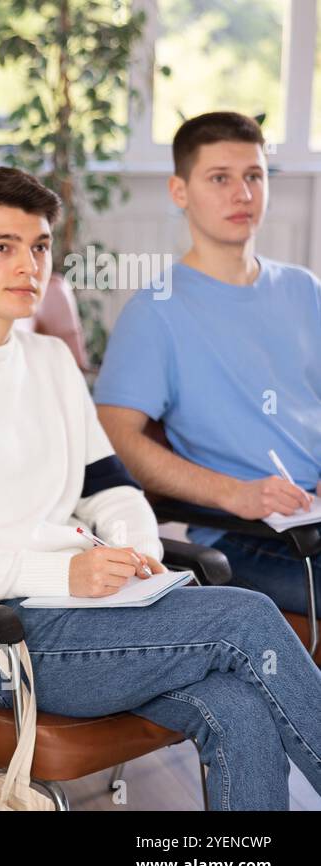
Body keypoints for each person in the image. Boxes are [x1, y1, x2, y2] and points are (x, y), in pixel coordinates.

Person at [0, 166, 321, 809]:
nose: (29, 264)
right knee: (246, 618)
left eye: (40, 246)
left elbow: (110, 485)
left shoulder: (48, 361)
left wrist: (132, 547)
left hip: (86, 617)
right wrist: (61, 577)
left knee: (238, 705)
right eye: (2, 247)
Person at [95, 111, 321, 616]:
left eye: (254, 176)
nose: (242, 194)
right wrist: (234, 494)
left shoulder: (303, 289)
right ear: (180, 191)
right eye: (220, 178)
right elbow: (115, 436)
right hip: (246, 535)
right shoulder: (156, 312)